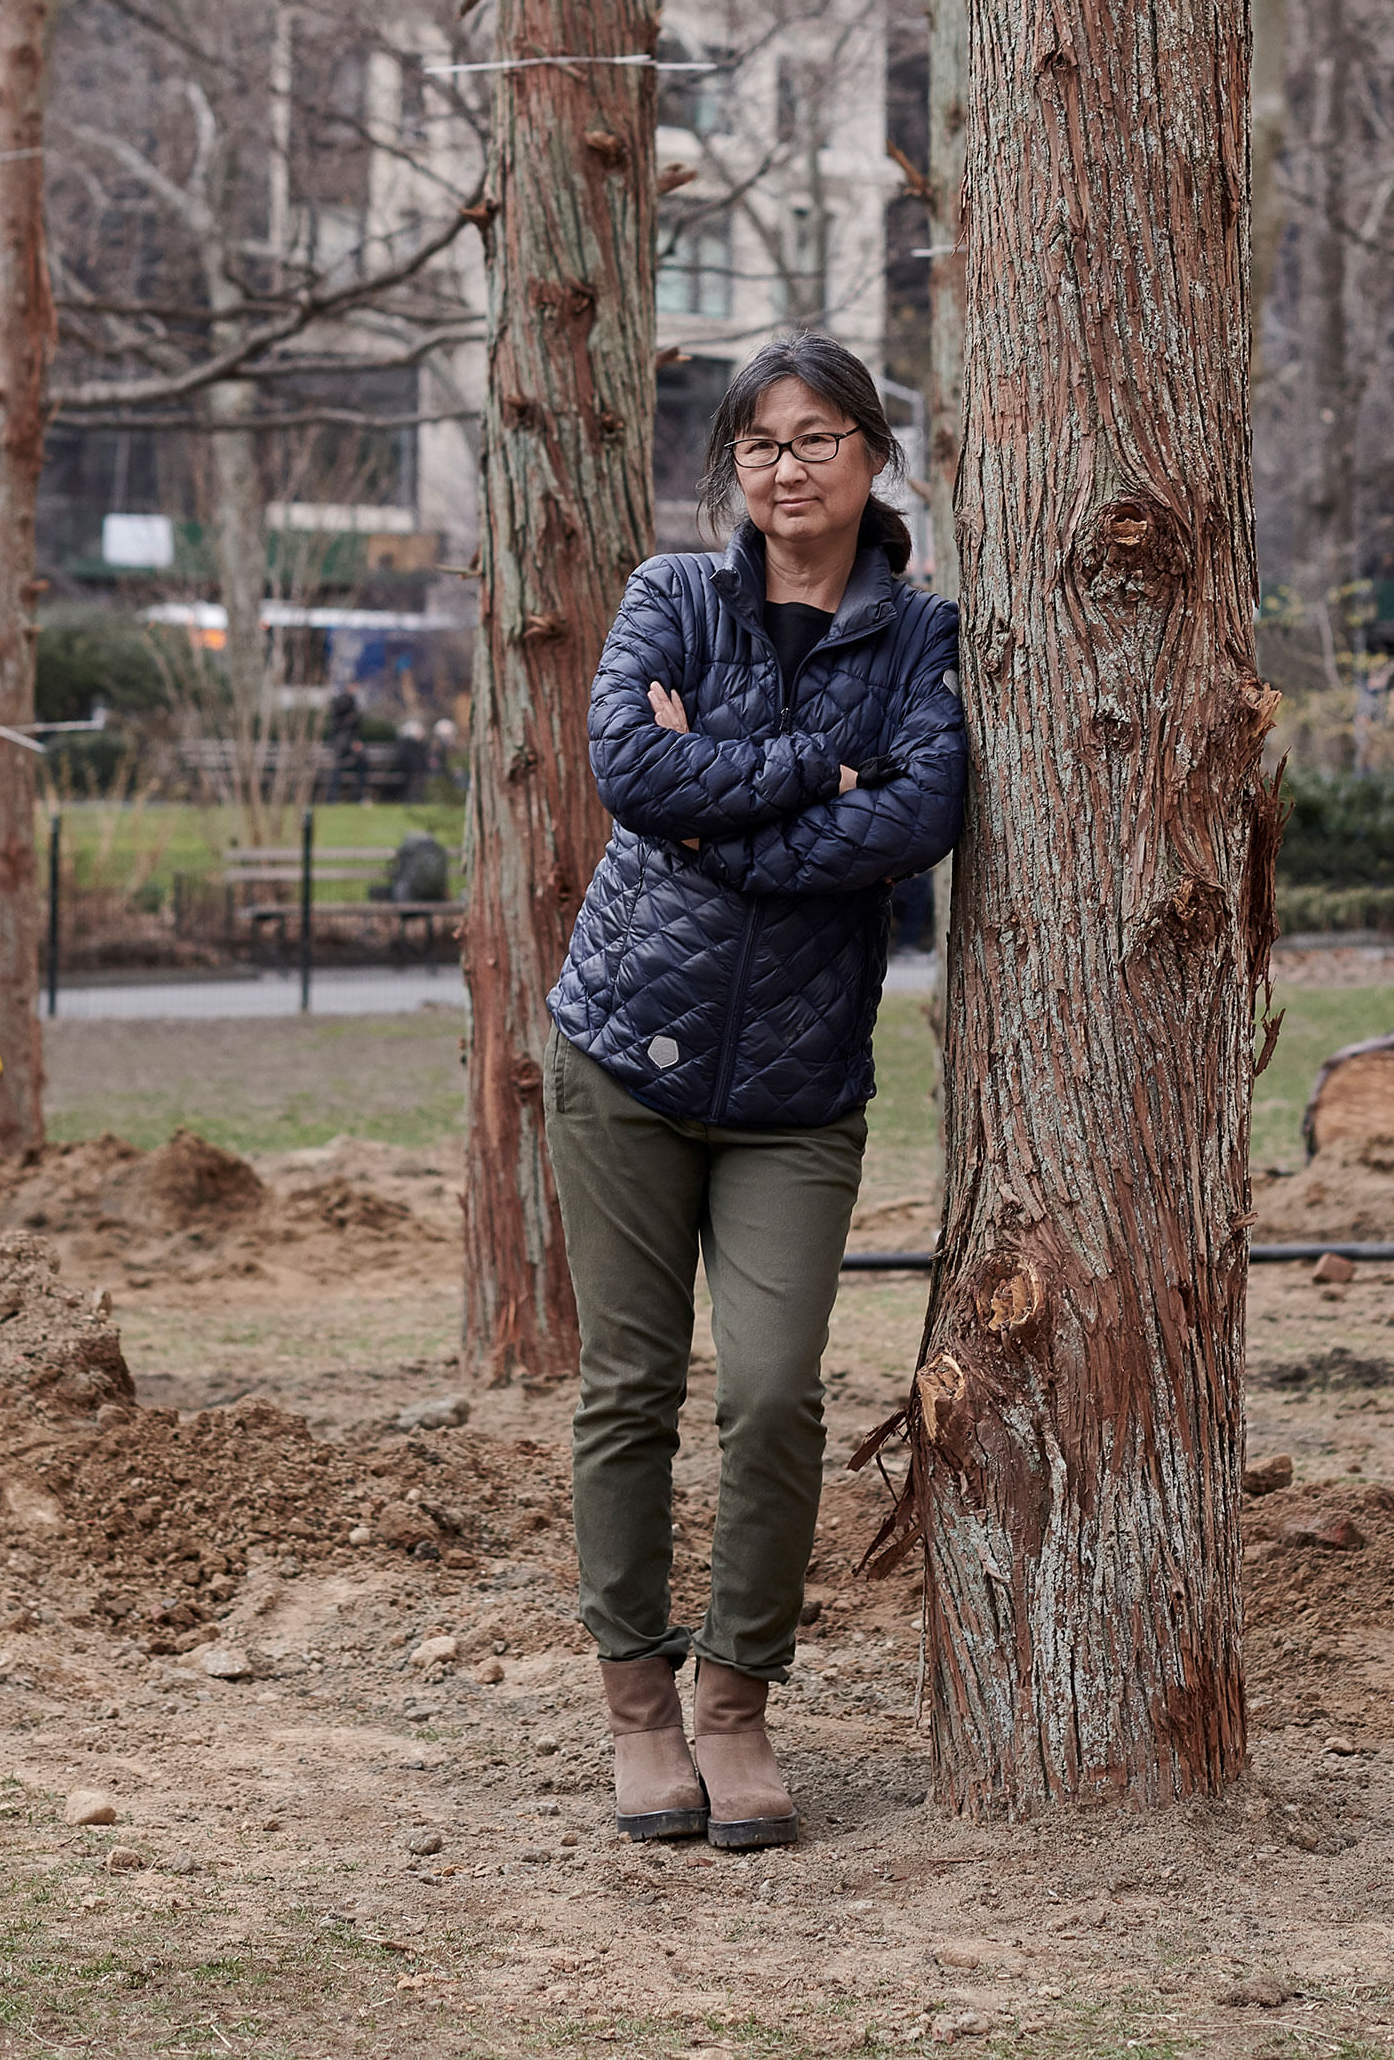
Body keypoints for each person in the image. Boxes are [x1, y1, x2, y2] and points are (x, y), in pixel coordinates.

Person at [544, 332, 966, 1850]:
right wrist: (814, 773)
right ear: (735, 469)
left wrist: (732, 788)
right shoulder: (674, 597)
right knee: (629, 1389)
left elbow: (914, 815)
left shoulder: (921, 638)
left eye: (818, 438)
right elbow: (633, 781)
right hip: (621, 1055)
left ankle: (735, 1696)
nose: (788, 468)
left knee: (778, 1394)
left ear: (874, 454)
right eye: (760, 445)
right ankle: (639, 1707)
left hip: (796, 1085)